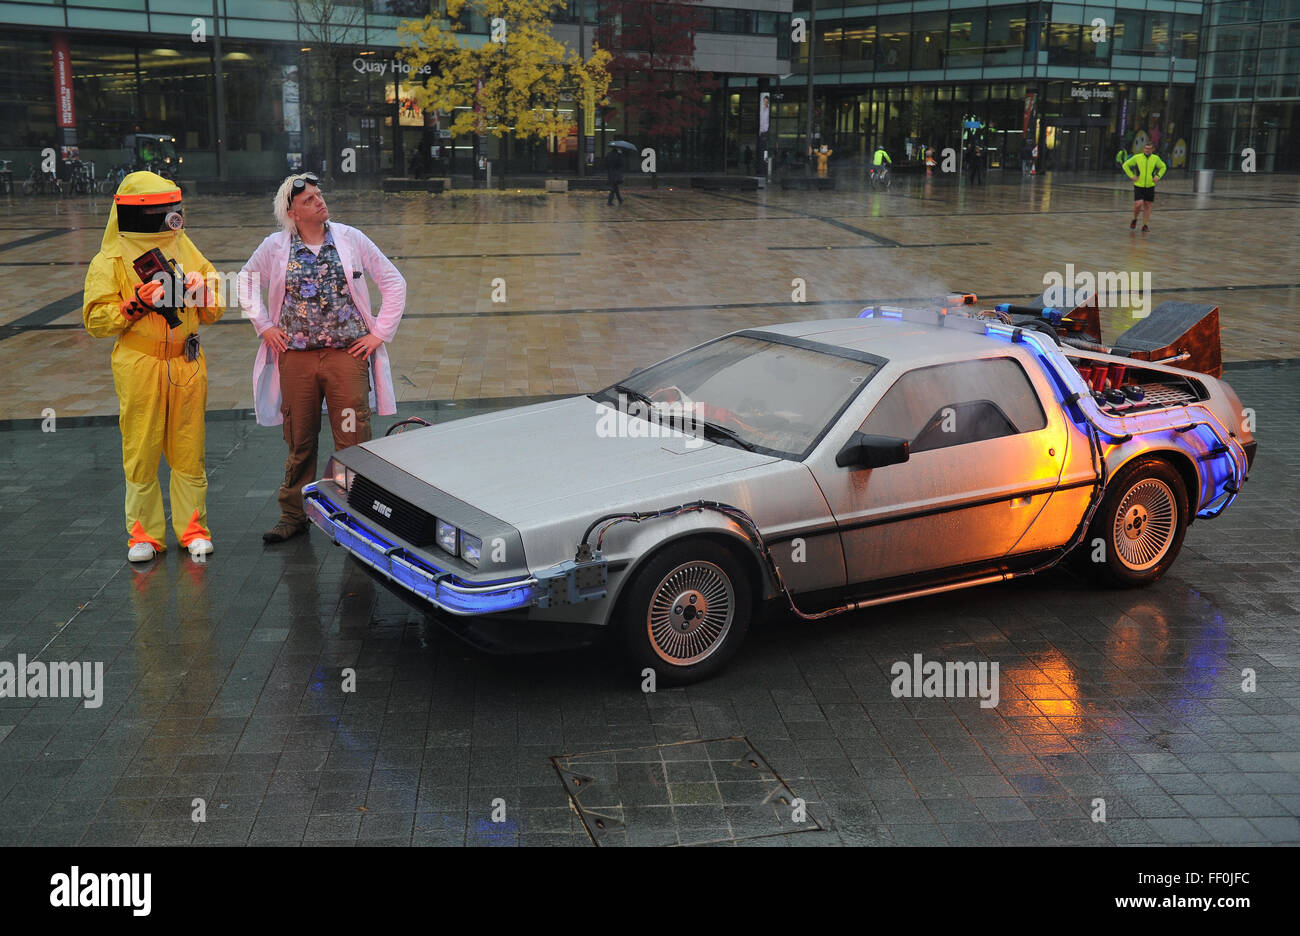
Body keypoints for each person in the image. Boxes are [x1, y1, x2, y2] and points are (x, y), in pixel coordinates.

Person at [240, 173, 406, 543]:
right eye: (309, 199)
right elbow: (246, 281)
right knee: (300, 438)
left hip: (345, 357)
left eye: (319, 195)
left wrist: (378, 333)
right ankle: (293, 514)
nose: (319, 201)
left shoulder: (351, 239)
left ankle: (354, 516)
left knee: (351, 435)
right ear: (293, 212)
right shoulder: (274, 247)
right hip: (296, 360)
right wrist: (264, 325)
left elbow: (394, 282)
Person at [82, 171, 222, 562]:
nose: (170, 220)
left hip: (187, 362)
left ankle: (193, 529)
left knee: (188, 449)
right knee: (141, 448)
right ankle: (143, 534)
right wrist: (134, 304)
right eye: (163, 212)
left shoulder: (185, 246)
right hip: (139, 363)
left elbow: (216, 308)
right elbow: (95, 320)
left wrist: (201, 289)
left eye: (173, 210)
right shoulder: (109, 259)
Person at [1122, 141, 1167, 232]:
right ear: (1143, 149)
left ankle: (1145, 225)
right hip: (1139, 185)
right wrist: (1131, 176)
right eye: (1146, 148)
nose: (1147, 150)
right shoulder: (1137, 157)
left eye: (1149, 148)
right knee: (1138, 204)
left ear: (1152, 150)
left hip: (1150, 185)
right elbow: (1125, 165)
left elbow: (1163, 167)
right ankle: (1134, 219)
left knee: (1147, 205)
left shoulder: (1156, 158)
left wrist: (1158, 176)